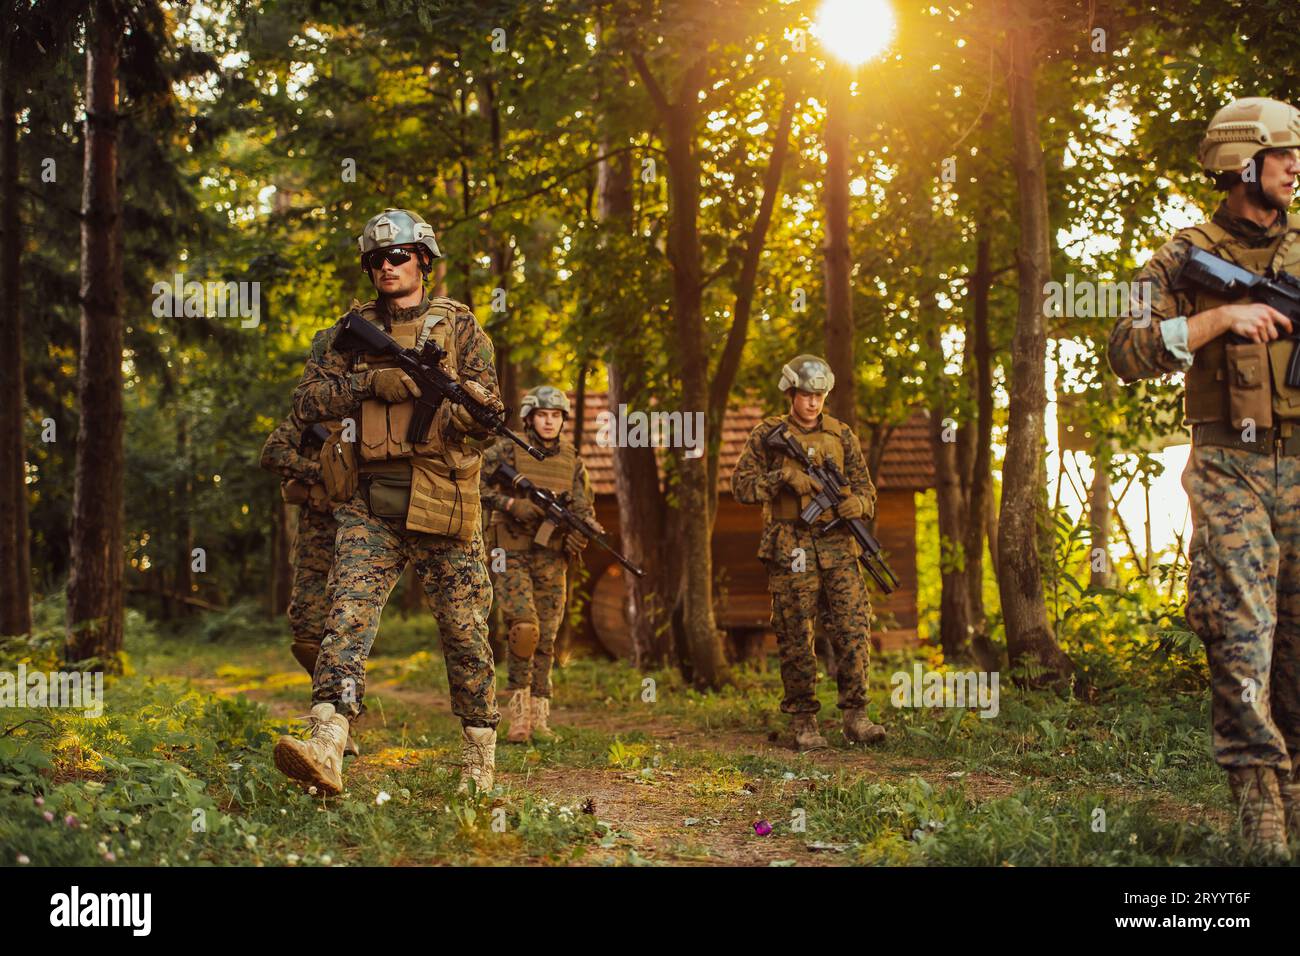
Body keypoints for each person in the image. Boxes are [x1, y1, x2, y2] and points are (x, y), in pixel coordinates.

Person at [1107, 97, 1300, 856]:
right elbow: (1125, 350)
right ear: (1243, 163)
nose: (1295, 165)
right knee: (1242, 642)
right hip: (1229, 470)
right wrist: (1219, 320)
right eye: (1284, 152)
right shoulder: (1181, 255)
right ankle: (1262, 827)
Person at [273, 207, 504, 795]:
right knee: (346, 621)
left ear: (423, 261)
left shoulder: (463, 329)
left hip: (445, 503)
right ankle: (327, 740)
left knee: (465, 631)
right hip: (370, 503)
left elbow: (489, 421)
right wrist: (367, 383)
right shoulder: (343, 335)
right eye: (376, 259)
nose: (386, 266)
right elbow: (306, 404)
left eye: (398, 255)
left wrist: (469, 412)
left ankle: (479, 761)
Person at [730, 355, 887, 751]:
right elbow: (741, 487)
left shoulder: (842, 435)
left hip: (839, 549)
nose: (813, 402)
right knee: (796, 633)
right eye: (805, 394)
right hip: (790, 547)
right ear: (790, 393)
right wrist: (783, 477)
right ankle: (803, 721)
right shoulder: (769, 434)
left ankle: (856, 716)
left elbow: (866, 488)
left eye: (819, 395)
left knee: (853, 629)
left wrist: (860, 507)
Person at [480, 385, 597, 743]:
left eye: (556, 416)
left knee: (546, 636)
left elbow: (583, 509)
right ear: (530, 418)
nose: (549, 422)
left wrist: (583, 532)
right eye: (543, 415)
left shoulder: (572, 460)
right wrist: (512, 505)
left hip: (552, 556)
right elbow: (476, 486)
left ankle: (540, 718)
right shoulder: (505, 449)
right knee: (524, 630)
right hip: (511, 551)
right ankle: (518, 717)